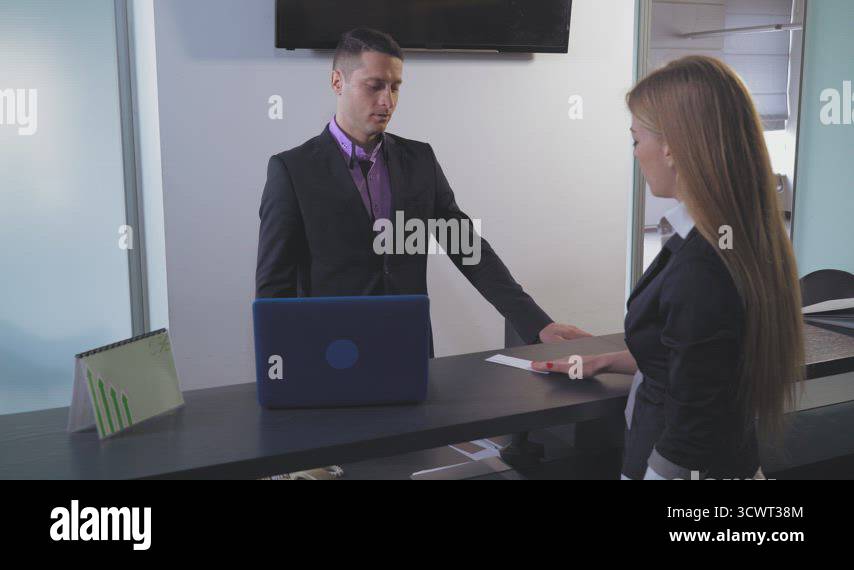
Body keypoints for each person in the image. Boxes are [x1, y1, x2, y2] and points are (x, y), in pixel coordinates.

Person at [533, 56, 805, 480]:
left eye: (636, 139)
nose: (635, 153)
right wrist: (608, 360)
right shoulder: (731, 238)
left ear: (671, 146)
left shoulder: (704, 264)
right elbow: (699, 360)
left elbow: (691, 422)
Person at [256, 28, 589, 352]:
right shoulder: (291, 170)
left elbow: (467, 248)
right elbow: (274, 287)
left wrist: (536, 323)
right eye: (374, 86)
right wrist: (282, 373)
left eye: (395, 87)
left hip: (410, 350)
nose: (387, 101)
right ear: (337, 82)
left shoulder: (420, 160)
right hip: (330, 354)